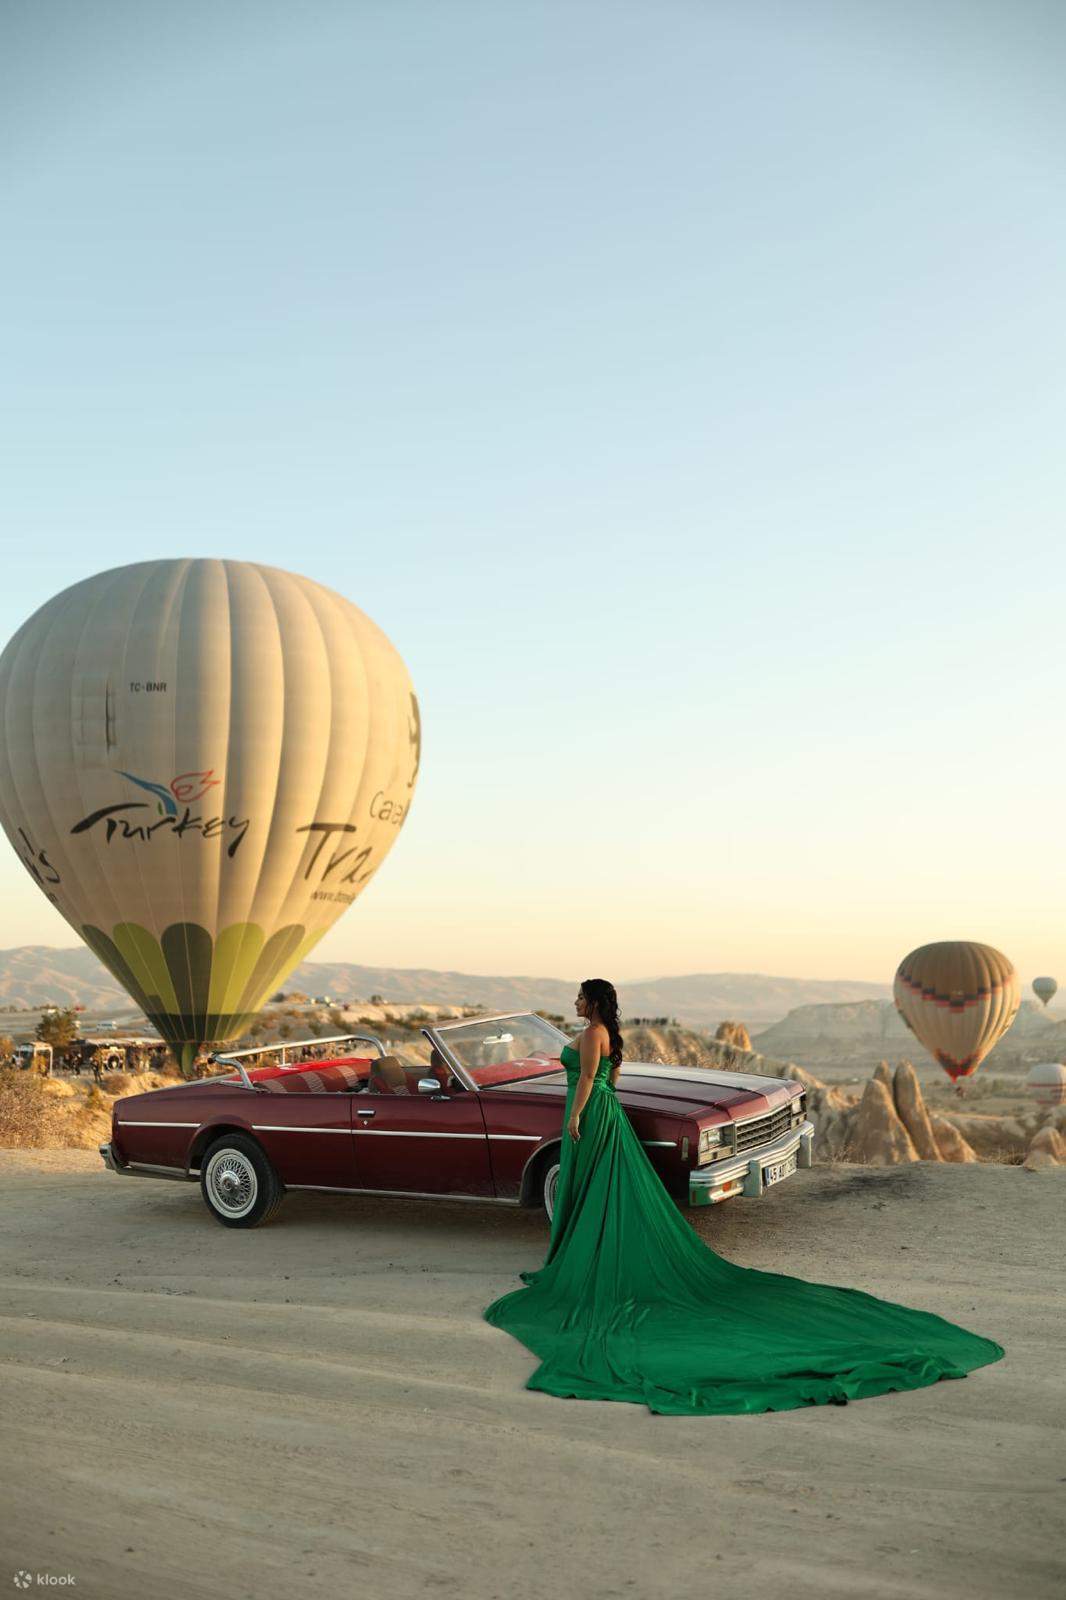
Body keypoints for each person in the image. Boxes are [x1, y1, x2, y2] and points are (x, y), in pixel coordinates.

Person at [482, 976, 1005, 1416]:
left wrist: (575, 1115)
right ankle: (586, 1245)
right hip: (605, 1111)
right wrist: (599, 1104)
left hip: (588, 1115)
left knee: (590, 1184)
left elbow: (594, 1077)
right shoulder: (607, 1032)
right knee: (601, 1185)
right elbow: (614, 1080)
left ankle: (582, 1256)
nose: (574, 1002)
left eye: (579, 996)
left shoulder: (592, 1033)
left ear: (592, 1001)